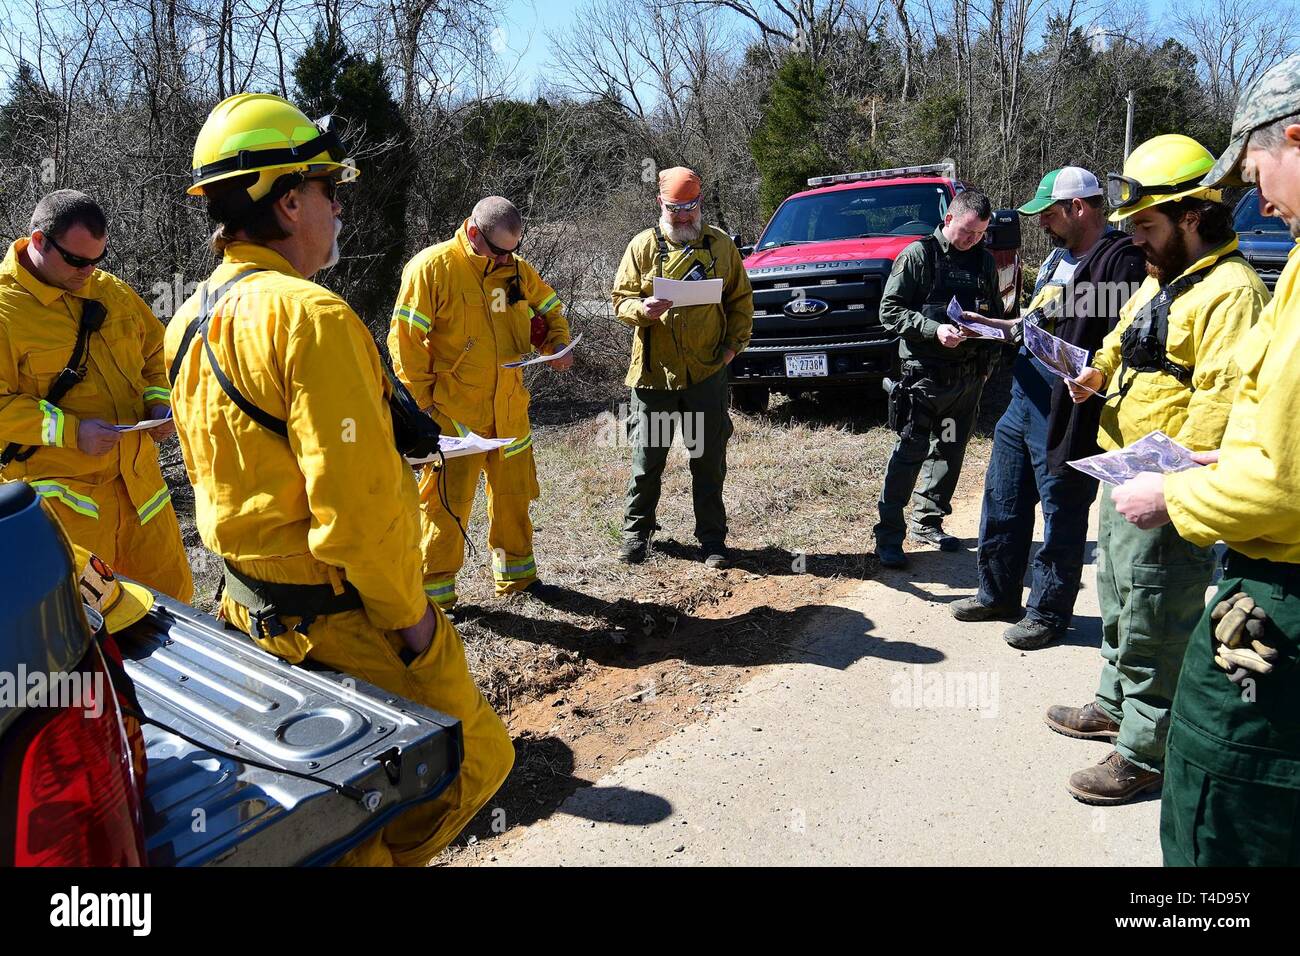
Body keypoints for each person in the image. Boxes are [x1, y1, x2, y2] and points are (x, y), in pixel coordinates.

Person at [165, 92, 512, 866]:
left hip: (250, 615)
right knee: (474, 761)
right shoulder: (311, 316)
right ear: (288, 201)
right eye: (329, 190)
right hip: (349, 621)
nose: (338, 209)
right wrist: (415, 626)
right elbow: (357, 513)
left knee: (331, 823)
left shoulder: (187, 317)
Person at [1109, 56, 1300, 862]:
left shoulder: (1236, 288)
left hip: (1272, 582)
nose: (1257, 195)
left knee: (1222, 773)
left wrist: (1183, 492)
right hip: (1237, 532)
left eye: (1258, 169)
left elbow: (1283, 483)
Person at [1049, 134, 1269, 805]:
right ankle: (1116, 706)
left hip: (1165, 486)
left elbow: (1219, 407)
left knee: (1154, 616)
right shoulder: (1162, 281)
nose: (1136, 239)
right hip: (1124, 473)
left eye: (1146, 224)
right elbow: (1121, 338)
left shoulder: (1231, 293)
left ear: (1193, 217)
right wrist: (1096, 373)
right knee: (1117, 597)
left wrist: (1171, 487)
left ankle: (1146, 751)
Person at [951, 168, 1147, 649]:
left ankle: (1048, 612)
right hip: (1024, 394)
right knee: (1003, 496)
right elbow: (1037, 319)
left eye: (1050, 214)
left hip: (1068, 405)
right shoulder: (1059, 256)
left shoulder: (1122, 263)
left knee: (1062, 508)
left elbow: (1119, 337)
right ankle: (997, 594)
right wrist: (992, 324)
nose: (1042, 223)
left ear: (1079, 207)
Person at [0, 190, 192, 601]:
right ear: (38, 242)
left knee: (173, 615)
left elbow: (157, 353)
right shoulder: (5, 312)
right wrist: (73, 431)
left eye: (97, 260)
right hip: (66, 521)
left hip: (145, 503)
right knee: (83, 636)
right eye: (76, 260)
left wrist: (159, 402)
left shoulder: (112, 293)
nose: (88, 271)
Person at [389, 197, 572, 616]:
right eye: (499, 250)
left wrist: (557, 343)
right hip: (454, 417)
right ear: (474, 232)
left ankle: (517, 578)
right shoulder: (432, 268)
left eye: (513, 250)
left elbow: (548, 311)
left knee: (514, 496)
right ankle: (433, 598)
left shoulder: (515, 270)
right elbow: (405, 345)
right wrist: (424, 412)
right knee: (444, 505)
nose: (508, 258)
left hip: (509, 410)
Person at [611, 166, 753, 568]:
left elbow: (741, 302)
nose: (685, 216)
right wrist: (643, 309)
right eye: (676, 209)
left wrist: (730, 351)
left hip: (707, 375)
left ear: (700, 203)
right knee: (647, 459)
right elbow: (619, 301)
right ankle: (636, 534)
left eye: (691, 207)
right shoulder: (641, 246)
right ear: (661, 204)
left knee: (708, 461)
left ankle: (712, 541)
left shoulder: (721, 245)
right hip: (655, 377)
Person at [874, 189, 1007, 570]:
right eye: (967, 232)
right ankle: (888, 535)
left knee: (949, 452)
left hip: (966, 382)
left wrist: (988, 365)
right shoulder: (919, 256)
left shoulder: (983, 262)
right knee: (910, 454)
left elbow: (995, 316)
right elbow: (889, 311)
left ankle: (928, 521)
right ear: (949, 219)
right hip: (924, 380)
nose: (973, 240)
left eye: (980, 234)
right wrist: (934, 330)